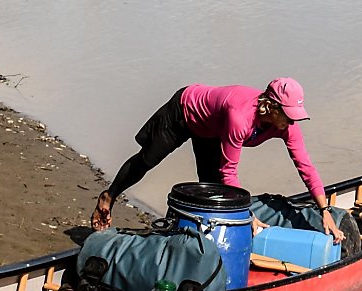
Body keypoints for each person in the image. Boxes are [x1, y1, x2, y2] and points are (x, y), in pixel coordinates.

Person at [90, 78, 344, 244]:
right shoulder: (240, 117)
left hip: (212, 131)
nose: (292, 122)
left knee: (213, 189)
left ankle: (204, 241)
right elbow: (229, 170)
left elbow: (305, 166)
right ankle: (108, 197)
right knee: (147, 160)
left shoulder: (286, 126)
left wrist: (324, 211)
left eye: (295, 116)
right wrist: (248, 214)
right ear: (271, 107)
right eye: (289, 115)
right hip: (185, 111)